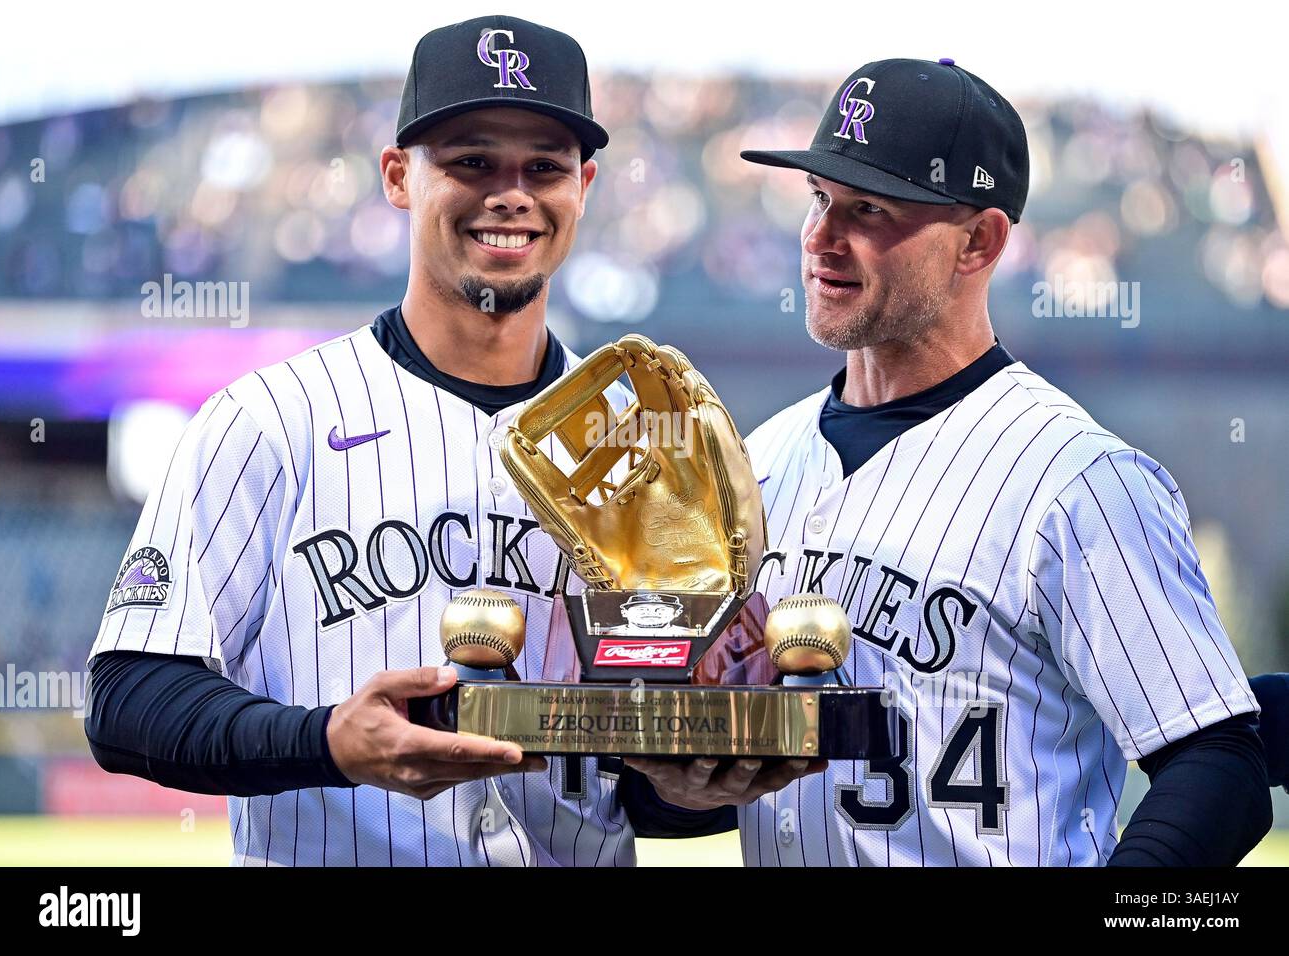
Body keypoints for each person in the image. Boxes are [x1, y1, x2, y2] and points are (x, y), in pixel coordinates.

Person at [626, 58, 1274, 865]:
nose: (823, 237)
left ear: (979, 241)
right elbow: (761, 786)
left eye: (868, 208)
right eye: (821, 200)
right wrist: (682, 788)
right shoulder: (759, 462)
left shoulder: (1078, 481)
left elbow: (1217, 764)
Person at [84, 15, 642, 866]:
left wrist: (695, 782)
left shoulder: (640, 444)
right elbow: (129, 695)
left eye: (544, 167)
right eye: (471, 161)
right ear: (398, 177)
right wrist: (329, 742)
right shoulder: (272, 417)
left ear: (585, 185)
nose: (510, 193)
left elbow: (635, 777)